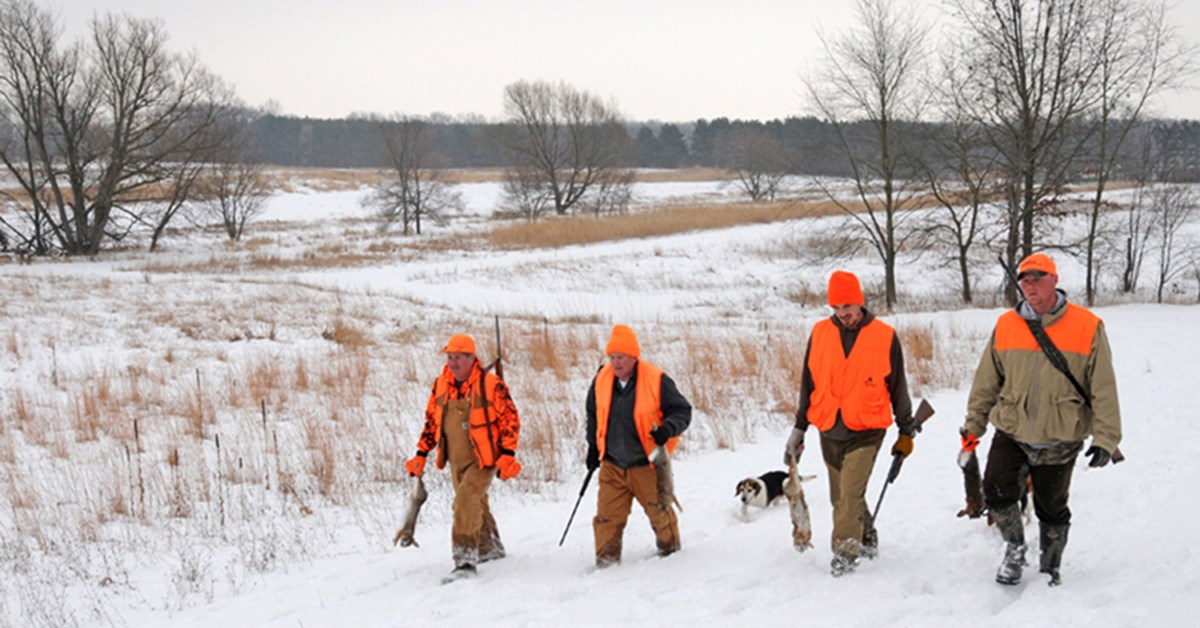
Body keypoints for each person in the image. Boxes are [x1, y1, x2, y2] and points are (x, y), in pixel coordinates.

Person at [961, 252, 1121, 587]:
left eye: (1038, 278)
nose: (1030, 285)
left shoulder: (1087, 326)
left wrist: (1106, 439)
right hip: (1012, 428)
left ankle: (1051, 565)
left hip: (1060, 434)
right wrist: (973, 426)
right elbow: (986, 382)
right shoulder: (1006, 324)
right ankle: (1015, 548)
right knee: (995, 491)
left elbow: (1103, 388)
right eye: (1024, 280)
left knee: (1051, 507)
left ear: (1054, 281)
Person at [782, 270, 916, 577]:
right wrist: (800, 427)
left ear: (860, 303)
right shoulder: (819, 333)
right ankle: (867, 537)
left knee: (849, 494)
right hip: (829, 428)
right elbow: (808, 383)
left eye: (848, 307)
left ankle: (844, 554)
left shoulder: (884, 336)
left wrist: (906, 428)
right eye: (836, 308)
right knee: (841, 496)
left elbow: (898, 386)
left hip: (867, 430)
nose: (843, 314)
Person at [405, 333, 522, 580]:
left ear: (472, 359)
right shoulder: (441, 385)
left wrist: (508, 454)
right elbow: (431, 423)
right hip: (455, 458)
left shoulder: (491, 385)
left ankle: (465, 562)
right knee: (475, 503)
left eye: (458, 357)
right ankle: (490, 547)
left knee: (465, 501)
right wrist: (421, 454)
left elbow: (510, 419)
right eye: (450, 357)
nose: (453, 363)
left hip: (484, 459)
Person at [586, 324, 692, 568]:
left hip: (647, 465)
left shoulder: (657, 380)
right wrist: (593, 447)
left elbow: (682, 411)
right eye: (612, 357)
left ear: (634, 357)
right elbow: (593, 414)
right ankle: (606, 565)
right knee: (606, 519)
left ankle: (672, 558)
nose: (616, 363)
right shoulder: (601, 380)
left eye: (621, 357)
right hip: (612, 465)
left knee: (660, 514)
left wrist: (668, 429)